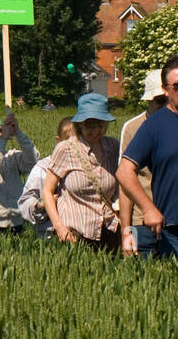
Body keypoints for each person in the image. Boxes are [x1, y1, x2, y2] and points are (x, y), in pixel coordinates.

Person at [118, 55, 178, 258]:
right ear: (166, 89)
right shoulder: (154, 126)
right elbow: (124, 171)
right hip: (174, 230)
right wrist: (148, 208)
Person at [42, 93, 121, 250]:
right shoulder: (66, 148)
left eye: (101, 125)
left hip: (110, 230)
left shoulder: (114, 146)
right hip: (75, 233)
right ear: (80, 125)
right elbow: (47, 191)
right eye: (90, 125)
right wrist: (59, 227)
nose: (96, 131)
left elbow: (122, 184)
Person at [18, 116, 74, 238]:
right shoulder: (43, 168)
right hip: (49, 236)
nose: (73, 147)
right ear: (58, 141)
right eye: (68, 141)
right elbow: (24, 205)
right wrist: (41, 205)